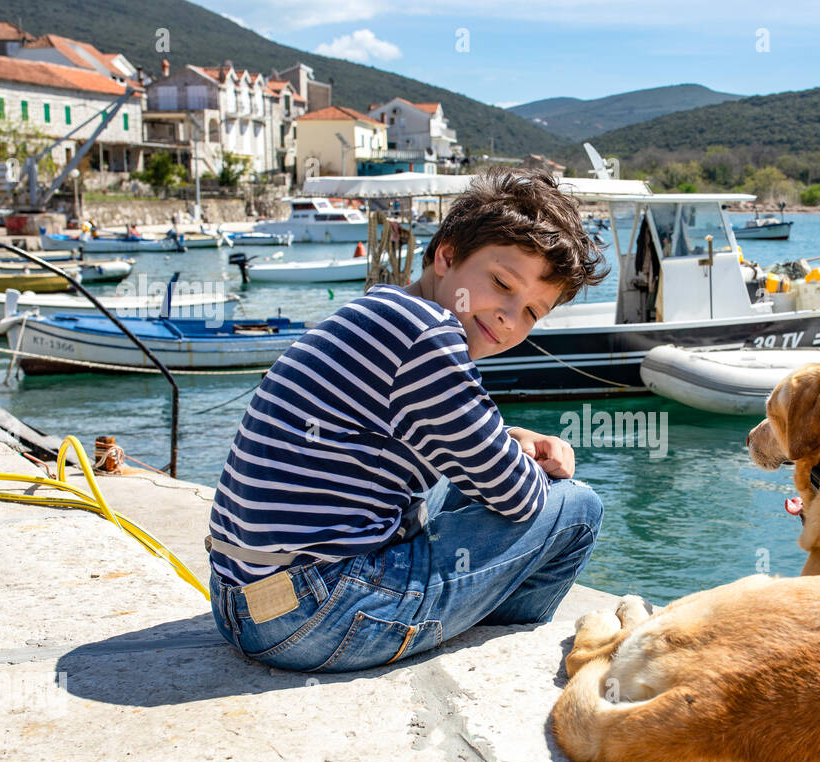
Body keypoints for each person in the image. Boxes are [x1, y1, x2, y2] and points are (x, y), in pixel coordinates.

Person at [206, 167, 609, 673]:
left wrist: (514, 441)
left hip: (241, 598)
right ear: (446, 255)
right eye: (502, 283)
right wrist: (532, 464)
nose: (509, 315)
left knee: (467, 482)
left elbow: (457, 450)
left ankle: (464, 609)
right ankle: (496, 632)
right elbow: (520, 497)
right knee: (575, 507)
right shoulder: (429, 335)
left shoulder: (385, 309)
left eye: (532, 311)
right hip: (314, 614)